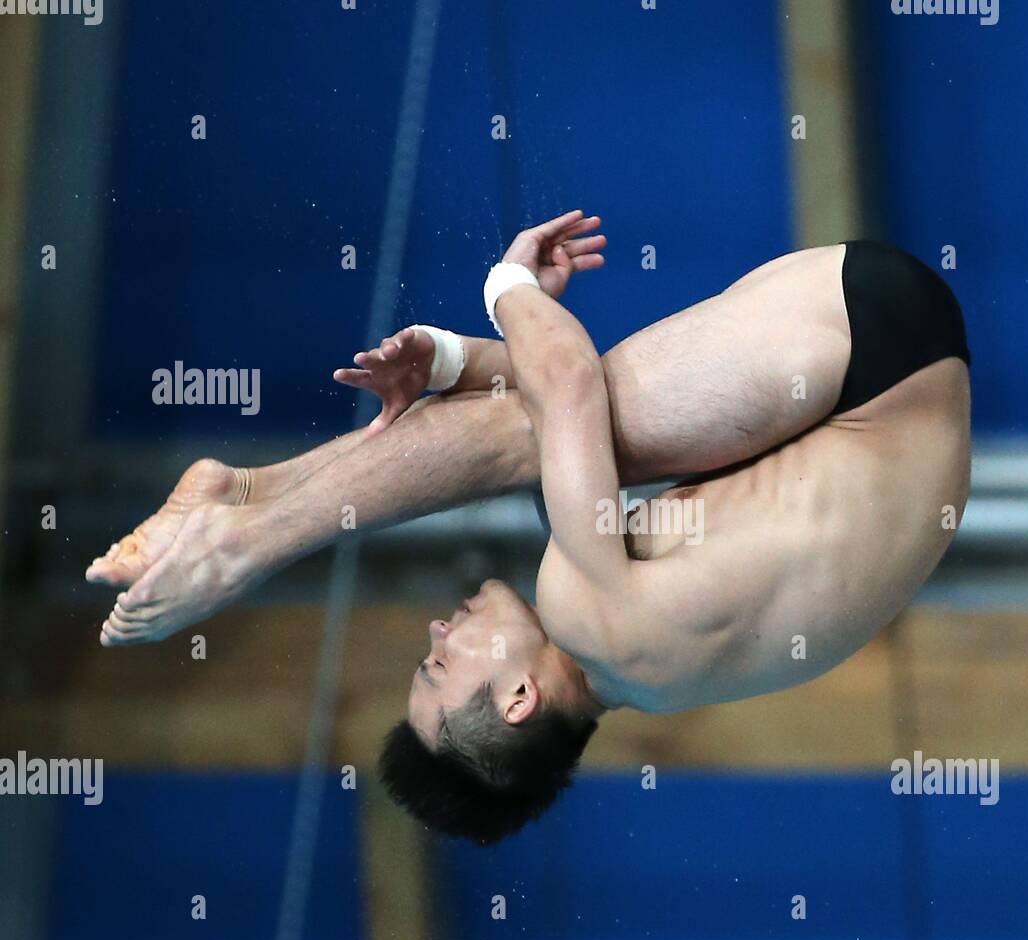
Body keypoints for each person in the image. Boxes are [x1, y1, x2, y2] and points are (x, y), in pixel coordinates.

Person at [88, 210, 971, 844]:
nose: (437, 632)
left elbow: (573, 415)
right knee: (536, 423)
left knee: (546, 424)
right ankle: (243, 541)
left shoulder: (650, 669)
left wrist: (451, 361)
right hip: (870, 349)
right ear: (517, 700)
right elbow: (569, 390)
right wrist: (508, 287)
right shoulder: (588, 613)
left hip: (892, 382)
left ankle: (247, 490)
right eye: (439, 665)